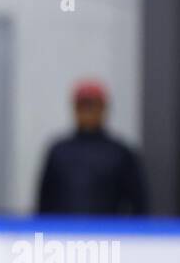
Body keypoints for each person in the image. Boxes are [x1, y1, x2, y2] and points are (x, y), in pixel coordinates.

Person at [37, 80, 148, 215]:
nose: (88, 111)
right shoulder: (58, 152)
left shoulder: (120, 153)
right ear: (75, 108)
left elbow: (139, 204)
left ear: (103, 108)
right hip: (64, 233)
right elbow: (44, 204)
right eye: (83, 105)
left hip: (108, 233)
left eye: (93, 105)